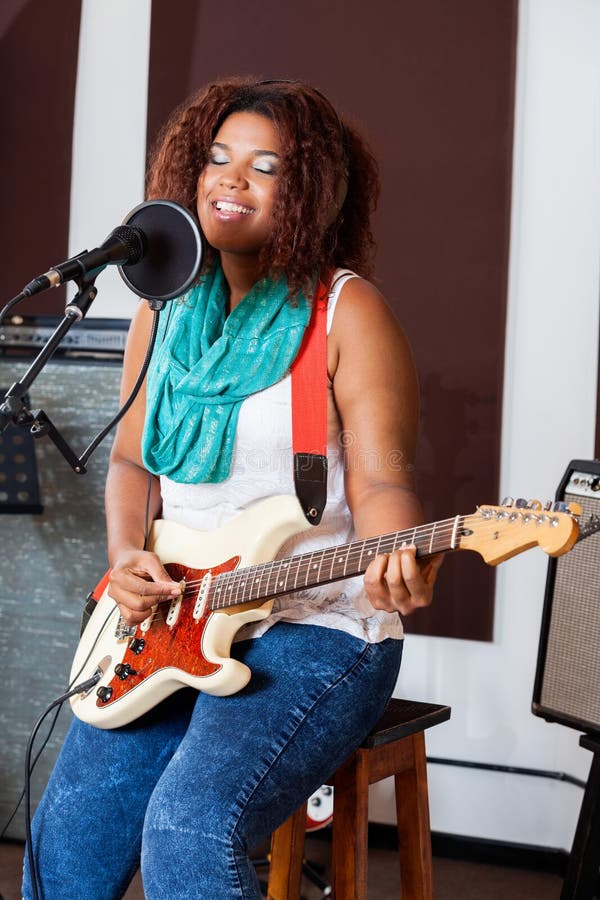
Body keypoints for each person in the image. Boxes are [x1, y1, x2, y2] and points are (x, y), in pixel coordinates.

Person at [22, 76, 442, 899]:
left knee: (188, 830)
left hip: (315, 622)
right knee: (63, 849)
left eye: (265, 166)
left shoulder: (345, 313)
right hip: (172, 616)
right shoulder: (163, 308)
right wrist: (124, 554)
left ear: (312, 190)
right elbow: (134, 464)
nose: (229, 179)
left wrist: (404, 550)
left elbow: (385, 477)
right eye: (217, 159)